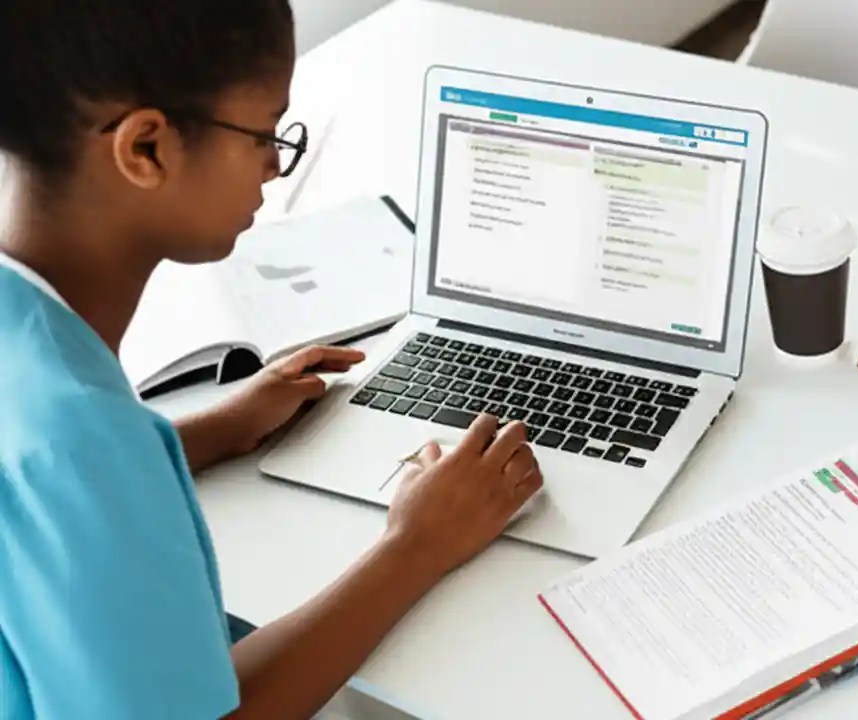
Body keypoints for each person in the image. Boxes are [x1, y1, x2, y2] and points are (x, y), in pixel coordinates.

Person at [0, 1, 544, 718]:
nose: (273, 167)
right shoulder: (80, 440)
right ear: (146, 150)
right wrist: (417, 542)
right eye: (263, 133)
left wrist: (215, 428)